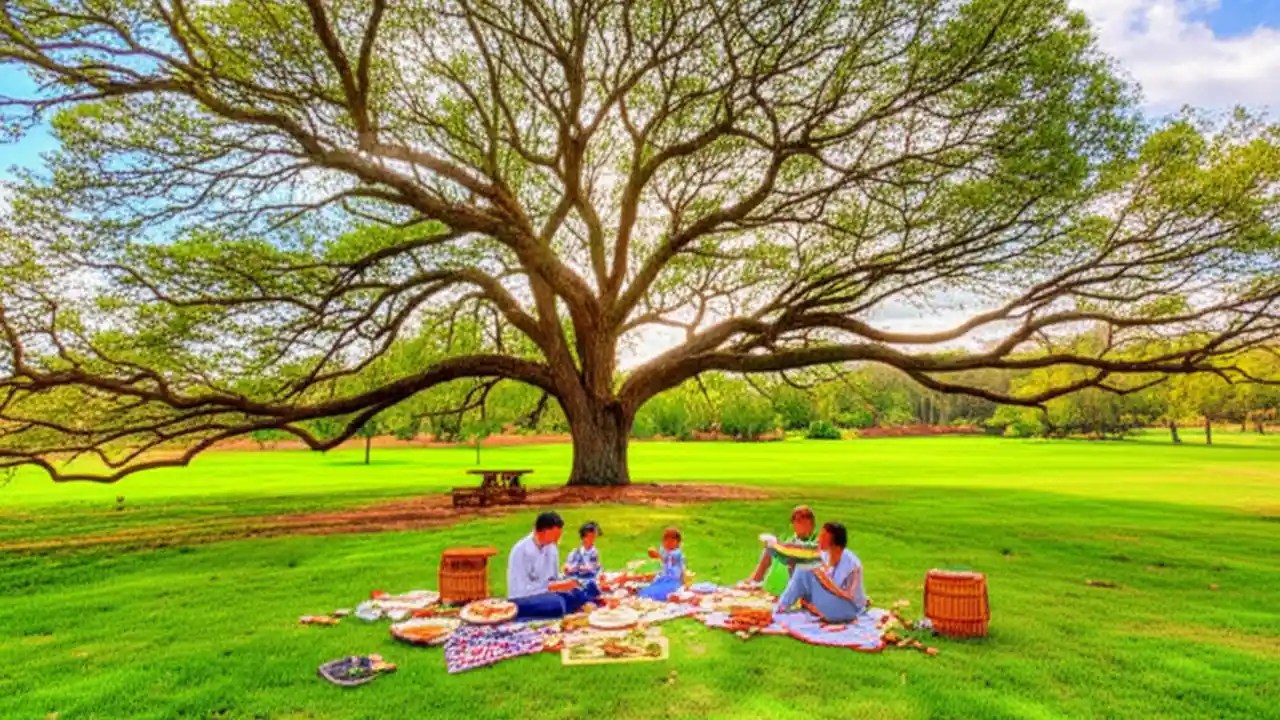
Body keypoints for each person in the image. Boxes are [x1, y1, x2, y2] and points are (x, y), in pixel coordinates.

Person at [506, 511, 599, 619]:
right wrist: (555, 587)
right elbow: (521, 590)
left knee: (586, 587)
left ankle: (584, 608)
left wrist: (570, 581)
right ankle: (572, 609)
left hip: (549, 591)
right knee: (557, 604)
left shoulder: (551, 547)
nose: (557, 540)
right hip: (524, 598)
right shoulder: (521, 551)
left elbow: (554, 578)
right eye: (554, 536)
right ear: (541, 532)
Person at [774, 521, 866, 623]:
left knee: (805, 567)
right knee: (803, 568)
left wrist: (828, 584)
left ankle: (783, 607)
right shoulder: (824, 555)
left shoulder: (853, 565)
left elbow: (850, 597)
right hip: (829, 600)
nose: (819, 539)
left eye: (823, 536)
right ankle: (783, 605)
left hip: (848, 608)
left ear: (834, 540)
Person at [747, 505, 821, 595]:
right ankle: (753, 581)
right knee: (769, 550)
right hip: (770, 589)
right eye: (797, 520)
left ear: (812, 523)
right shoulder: (789, 540)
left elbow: (804, 551)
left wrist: (777, 545)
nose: (802, 523)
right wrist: (774, 546)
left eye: (805, 519)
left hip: (794, 590)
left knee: (783, 553)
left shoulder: (816, 542)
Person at [638, 527, 686, 601]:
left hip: (673, 582)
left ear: (677, 543)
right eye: (666, 541)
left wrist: (658, 555)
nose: (669, 543)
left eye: (672, 541)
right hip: (663, 580)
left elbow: (669, 559)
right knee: (645, 591)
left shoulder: (677, 553)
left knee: (658, 593)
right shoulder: (664, 551)